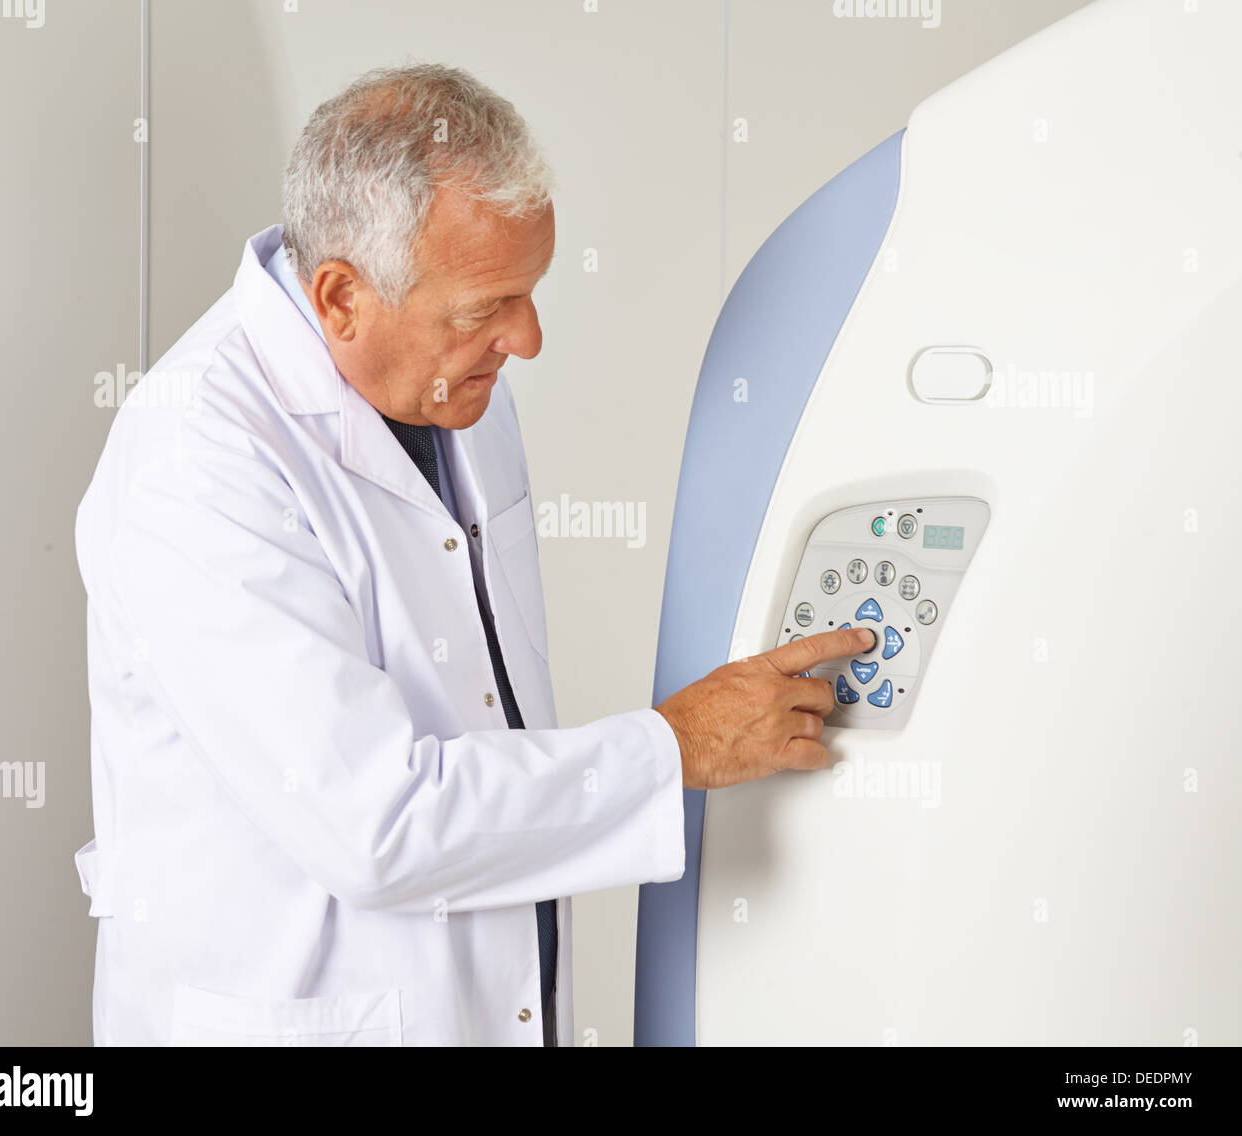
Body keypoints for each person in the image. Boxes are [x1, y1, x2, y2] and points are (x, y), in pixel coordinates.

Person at [72, 63, 870, 1047]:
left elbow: (481, 720)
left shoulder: (449, 388)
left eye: (528, 293)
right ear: (340, 298)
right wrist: (671, 746)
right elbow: (378, 823)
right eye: (485, 307)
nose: (526, 337)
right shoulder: (195, 459)